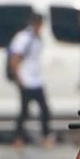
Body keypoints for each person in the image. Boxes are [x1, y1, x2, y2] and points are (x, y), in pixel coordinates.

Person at [9, 12, 54, 148]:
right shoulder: (24, 38)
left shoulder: (38, 38)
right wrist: (19, 78)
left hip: (37, 80)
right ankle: (18, 138)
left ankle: (46, 137)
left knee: (45, 110)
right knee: (24, 112)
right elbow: (15, 58)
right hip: (26, 79)